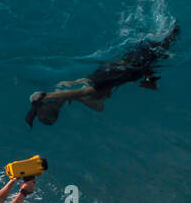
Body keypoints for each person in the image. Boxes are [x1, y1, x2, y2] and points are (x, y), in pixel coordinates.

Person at [26, 24, 180, 127]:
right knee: (149, 53)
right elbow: (96, 105)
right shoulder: (84, 84)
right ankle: (159, 33)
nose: (107, 97)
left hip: (134, 65)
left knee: (165, 41)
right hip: (127, 66)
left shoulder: (91, 88)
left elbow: (81, 96)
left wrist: (47, 95)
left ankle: (170, 31)